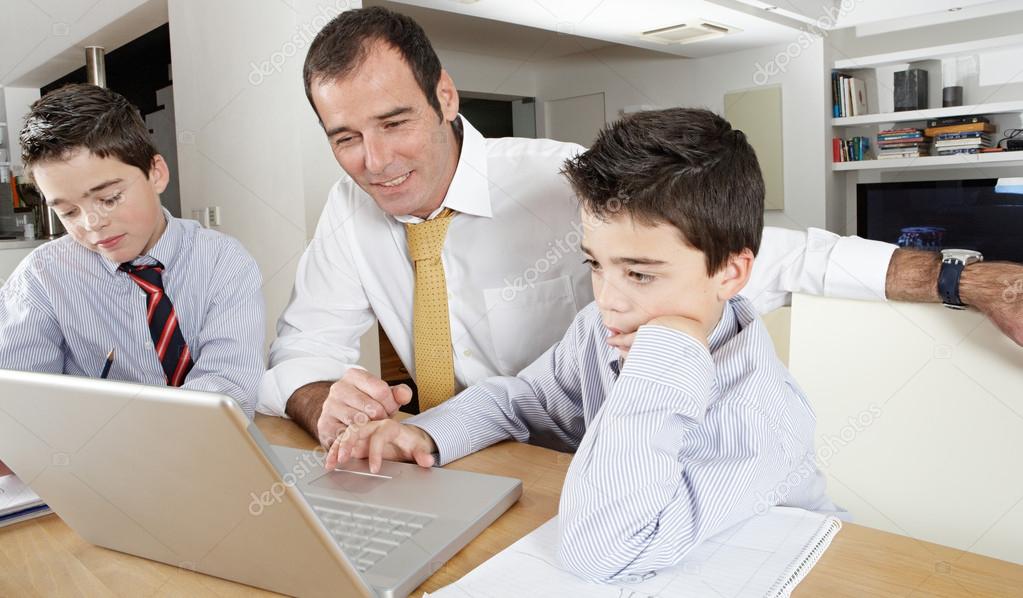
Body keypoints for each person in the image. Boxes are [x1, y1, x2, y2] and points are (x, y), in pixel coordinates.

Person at [259, 6, 1023, 448]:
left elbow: (778, 253)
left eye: (395, 122)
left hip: (603, 451)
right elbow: (298, 355)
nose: (375, 162)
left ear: (446, 96)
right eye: (344, 138)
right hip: (463, 448)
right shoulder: (348, 210)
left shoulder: (566, 179)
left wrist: (961, 276)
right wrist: (321, 402)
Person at [325, 107, 836, 582]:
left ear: (731, 272)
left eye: (639, 273)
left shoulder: (762, 416)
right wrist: (426, 435)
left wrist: (664, 363)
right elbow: (515, 401)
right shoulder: (601, 331)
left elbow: (605, 549)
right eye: (595, 264)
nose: (608, 301)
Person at [0, 84, 266, 419]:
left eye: (109, 198)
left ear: (156, 173)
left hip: (205, 452)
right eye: (68, 212)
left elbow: (231, 390)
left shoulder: (223, 262)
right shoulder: (41, 278)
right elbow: (18, 404)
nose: (92, 223)